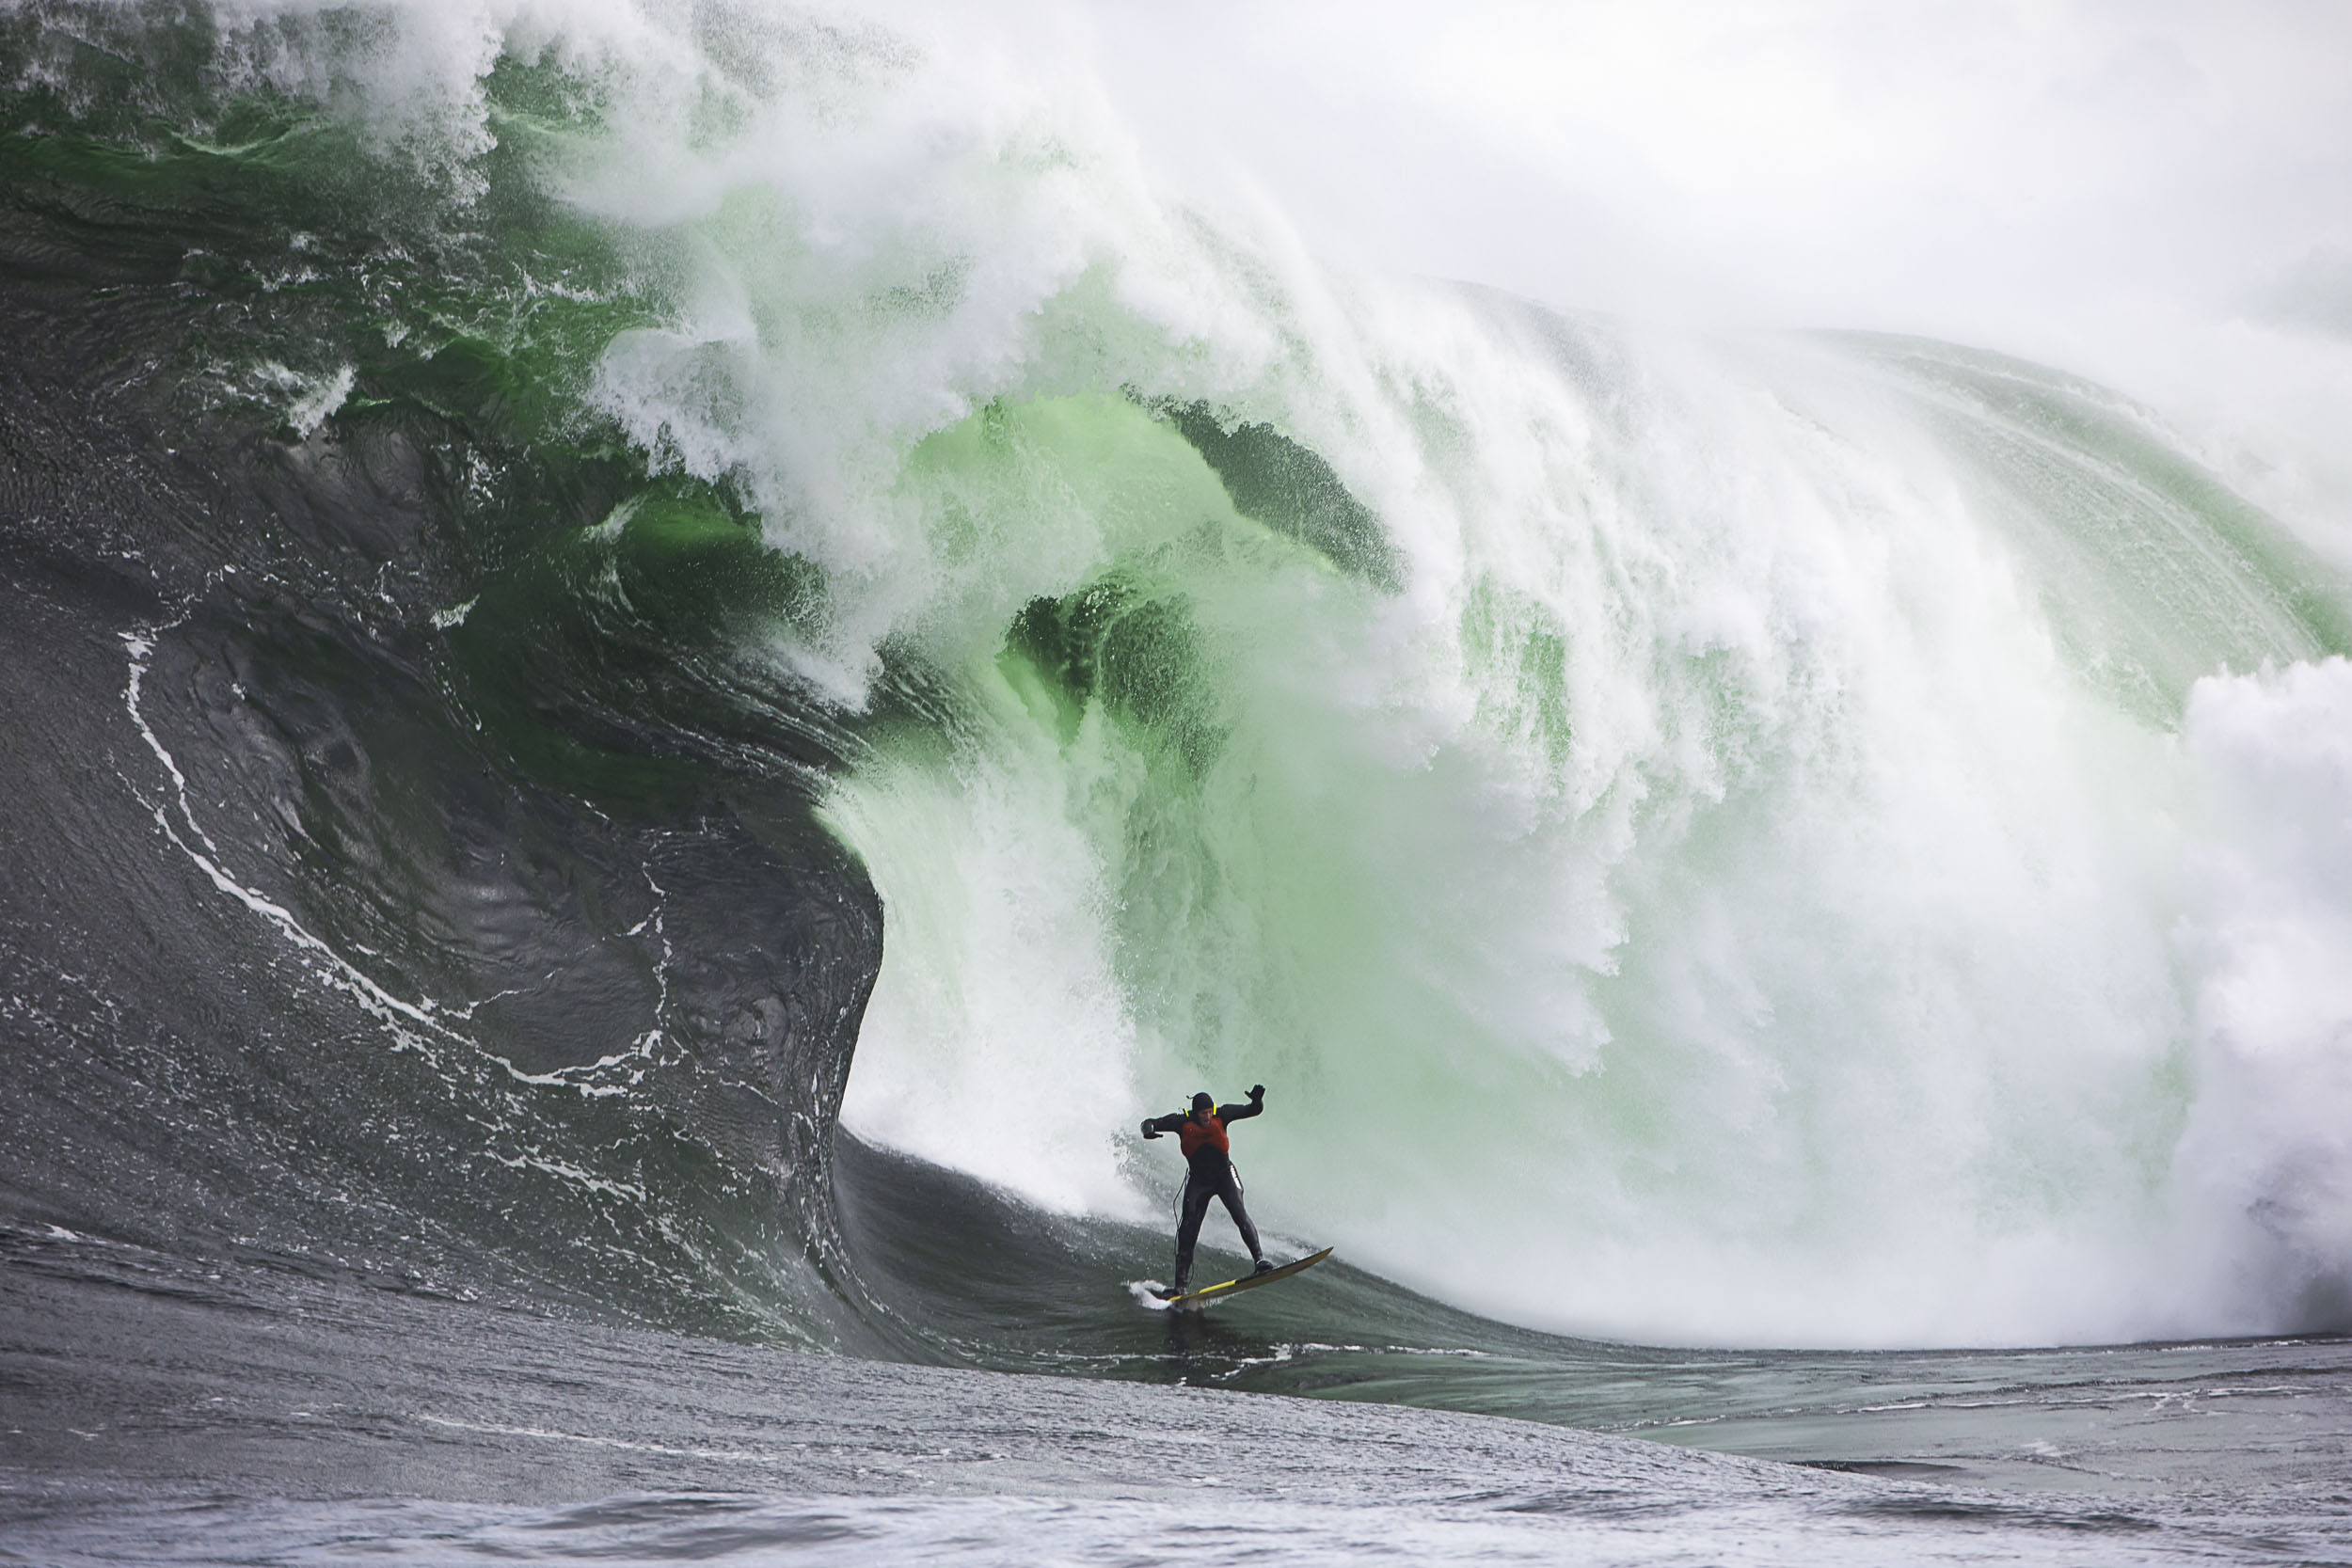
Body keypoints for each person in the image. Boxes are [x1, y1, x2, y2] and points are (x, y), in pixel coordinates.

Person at [1140, 1085, 1271, 1295]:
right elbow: (1150, 1122)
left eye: (1210, 1112)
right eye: (1203, 1113)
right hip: (1198, 1181)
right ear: (1195, 1113)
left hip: (1224, 1176)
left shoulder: (1224, 1114)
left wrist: (1257, 1101)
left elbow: (1253, 1110)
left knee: (1239, 1213)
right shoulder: (1181, 1122)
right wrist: (1148, 1131)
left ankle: (1260, 1261)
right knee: (1188, 1230)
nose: (1208, 1117)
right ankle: (1180, 1287)